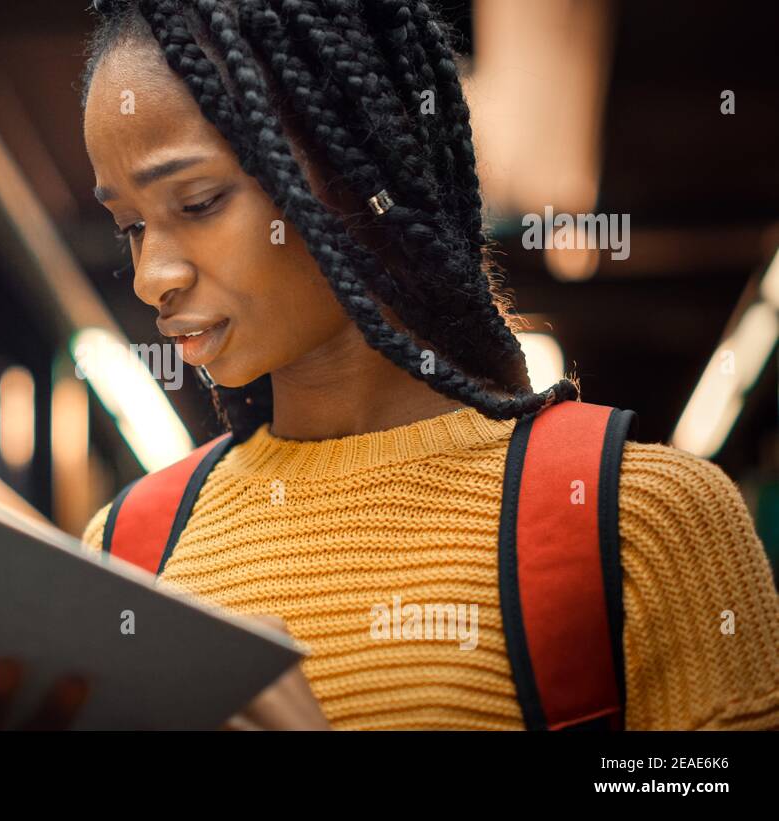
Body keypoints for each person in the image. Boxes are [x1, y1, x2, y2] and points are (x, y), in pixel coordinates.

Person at [76, 0, 779, 730]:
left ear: (351, 158)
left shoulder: (646, 523)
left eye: (198, 200)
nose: (151, 276)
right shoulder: (126, 552)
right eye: (129, 226)